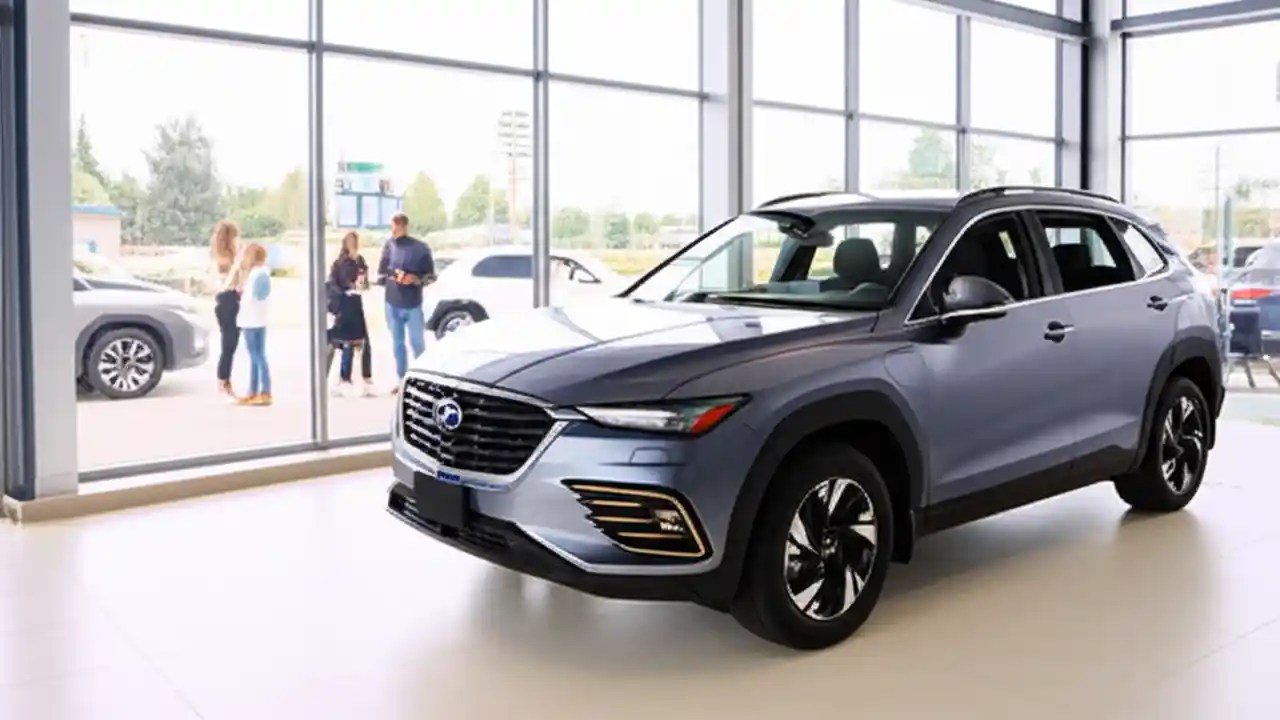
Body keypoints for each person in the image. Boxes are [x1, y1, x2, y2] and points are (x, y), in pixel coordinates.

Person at [377, 211, 434, 385]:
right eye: (393, 226)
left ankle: (422, 380)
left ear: (405, 226)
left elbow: (431, 275)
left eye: (398, 226)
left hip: (413, 304)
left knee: (417, 343)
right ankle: (402, 380)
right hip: (392, 303)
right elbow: (382, 272)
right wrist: (394, 275)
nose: (395, 229)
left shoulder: (421, 248)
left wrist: (415, 279)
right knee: (398, 345)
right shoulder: (389, 246)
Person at [326, 231, 375, 397]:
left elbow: (364, 281)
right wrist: (345, 290)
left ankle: (365, 378)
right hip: (343, 305)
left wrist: (362, 283)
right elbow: (333, 283)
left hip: (356, 303)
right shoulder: (340, 262)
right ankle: (343, 378)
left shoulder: (359, 260)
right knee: (344, 342)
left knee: (362, 342)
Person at [235, 243, 273, 406]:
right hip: (258, 319)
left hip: (251, 320)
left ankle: (265, 391)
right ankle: (253, 391)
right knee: (256, 356)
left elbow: (256, 297)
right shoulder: (261, 274)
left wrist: (243, 295)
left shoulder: (258, 274)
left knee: (257, 356)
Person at [209, 220, 242, 399]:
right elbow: (227, 283)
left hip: (228, 300)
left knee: (230, 343)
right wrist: (237, 265)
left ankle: (224, 379)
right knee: (229, 343)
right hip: (228, 299)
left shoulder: (222, 256)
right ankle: (224, 380)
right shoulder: (224, 259)